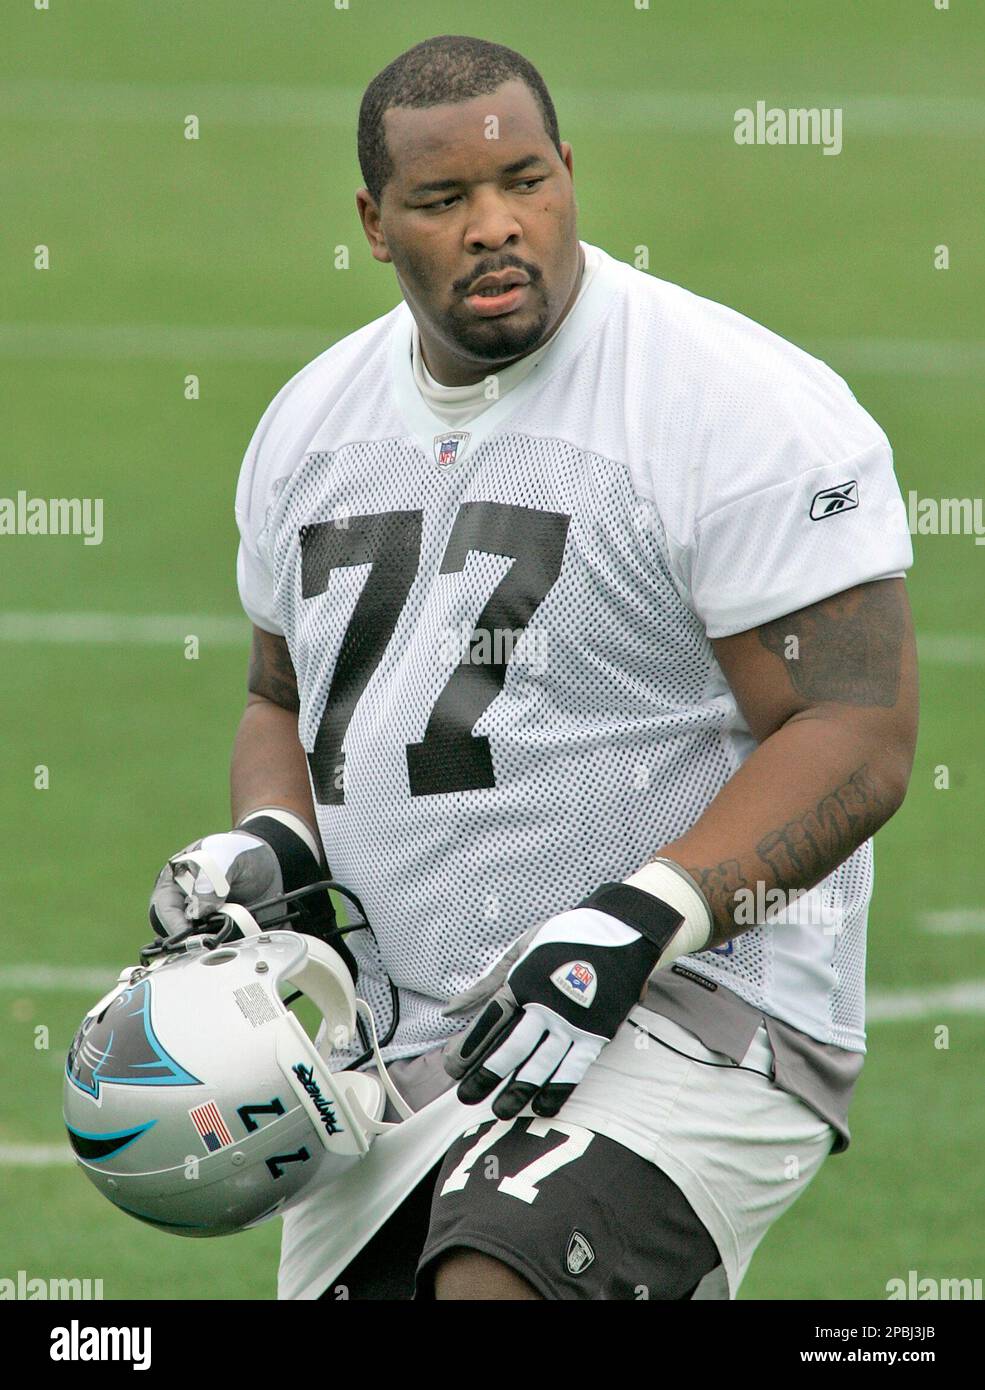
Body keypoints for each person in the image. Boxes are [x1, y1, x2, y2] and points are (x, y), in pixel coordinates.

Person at [152, 34, 918, 1300]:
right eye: (443, 201)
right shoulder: (308, 423)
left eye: (525, 183)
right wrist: (275, 840)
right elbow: (281, 699)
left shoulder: (734, 402)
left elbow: (857, 731)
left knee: (490, 1283)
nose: (494, 227)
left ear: (571, 172)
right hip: (403, 1038)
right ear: (373, 221)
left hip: (693, 1004)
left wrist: (641, 919)